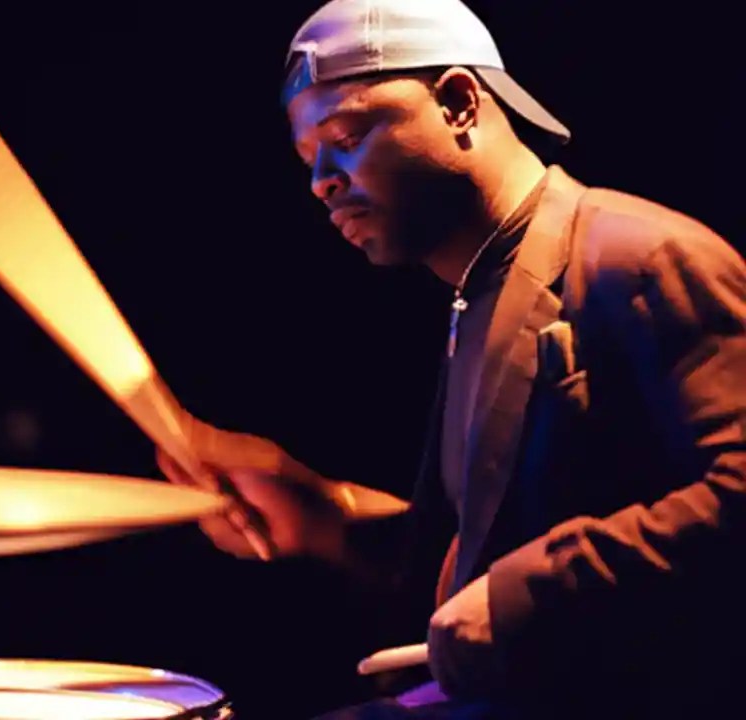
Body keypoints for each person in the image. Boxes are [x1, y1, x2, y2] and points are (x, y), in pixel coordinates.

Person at [156, 1, 746, 718]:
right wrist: (327, 520)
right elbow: (487, 546)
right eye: (309, 159)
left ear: (461, 102)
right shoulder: (478, 296)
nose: (322, 182)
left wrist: (533, 590)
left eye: (344, 137)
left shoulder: (638, 256)